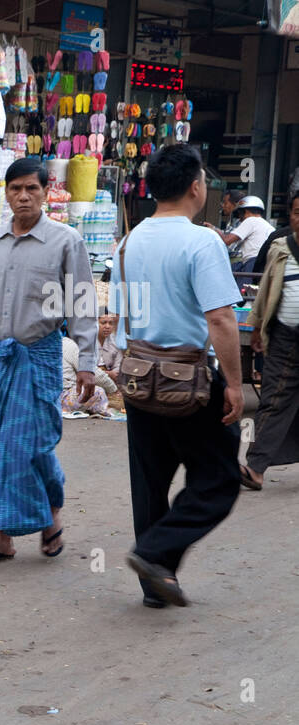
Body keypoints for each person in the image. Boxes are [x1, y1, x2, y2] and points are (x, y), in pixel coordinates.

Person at [114, 143, 243, 608]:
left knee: (149, 483)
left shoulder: (129, 242)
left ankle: (155, 584)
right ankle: (152, 553)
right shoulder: (201, 240)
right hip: (186, 380)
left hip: (138, 377)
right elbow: (222, 319)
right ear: (195, 186)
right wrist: (233, 383)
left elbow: (121, 318)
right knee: (220, 478)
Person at [0, 157, 97, 565]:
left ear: (45, 192)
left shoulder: (65, 240)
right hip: (0, 356)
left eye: (31, 189)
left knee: (33, 446)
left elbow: (83, 303)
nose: (23, 196)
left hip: (40, 356)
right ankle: (4, 538)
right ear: (6, 192)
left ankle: (50, 515)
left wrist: (87, 360)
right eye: (15, 188)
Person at [241, 191, 299, 490]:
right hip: (284, 338)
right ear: (290, 216)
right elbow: (265, 291)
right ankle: (255, 468)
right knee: (273, 400)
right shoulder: (281, 248)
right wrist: (257, 327)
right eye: (297, 212)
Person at [206, 195, 273, 272]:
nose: (240, 219)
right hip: (265, 265)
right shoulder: (267, 225)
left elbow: (226, 240)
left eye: (240, 214)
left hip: (252, 263)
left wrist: (214, 229)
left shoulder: (250, 220)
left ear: (246, 211)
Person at [61, 334, 115, 416]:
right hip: (62, 396)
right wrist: (114, 390)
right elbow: (95, 374)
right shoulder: (67, 344)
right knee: (98, 392)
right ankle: (102, 410)